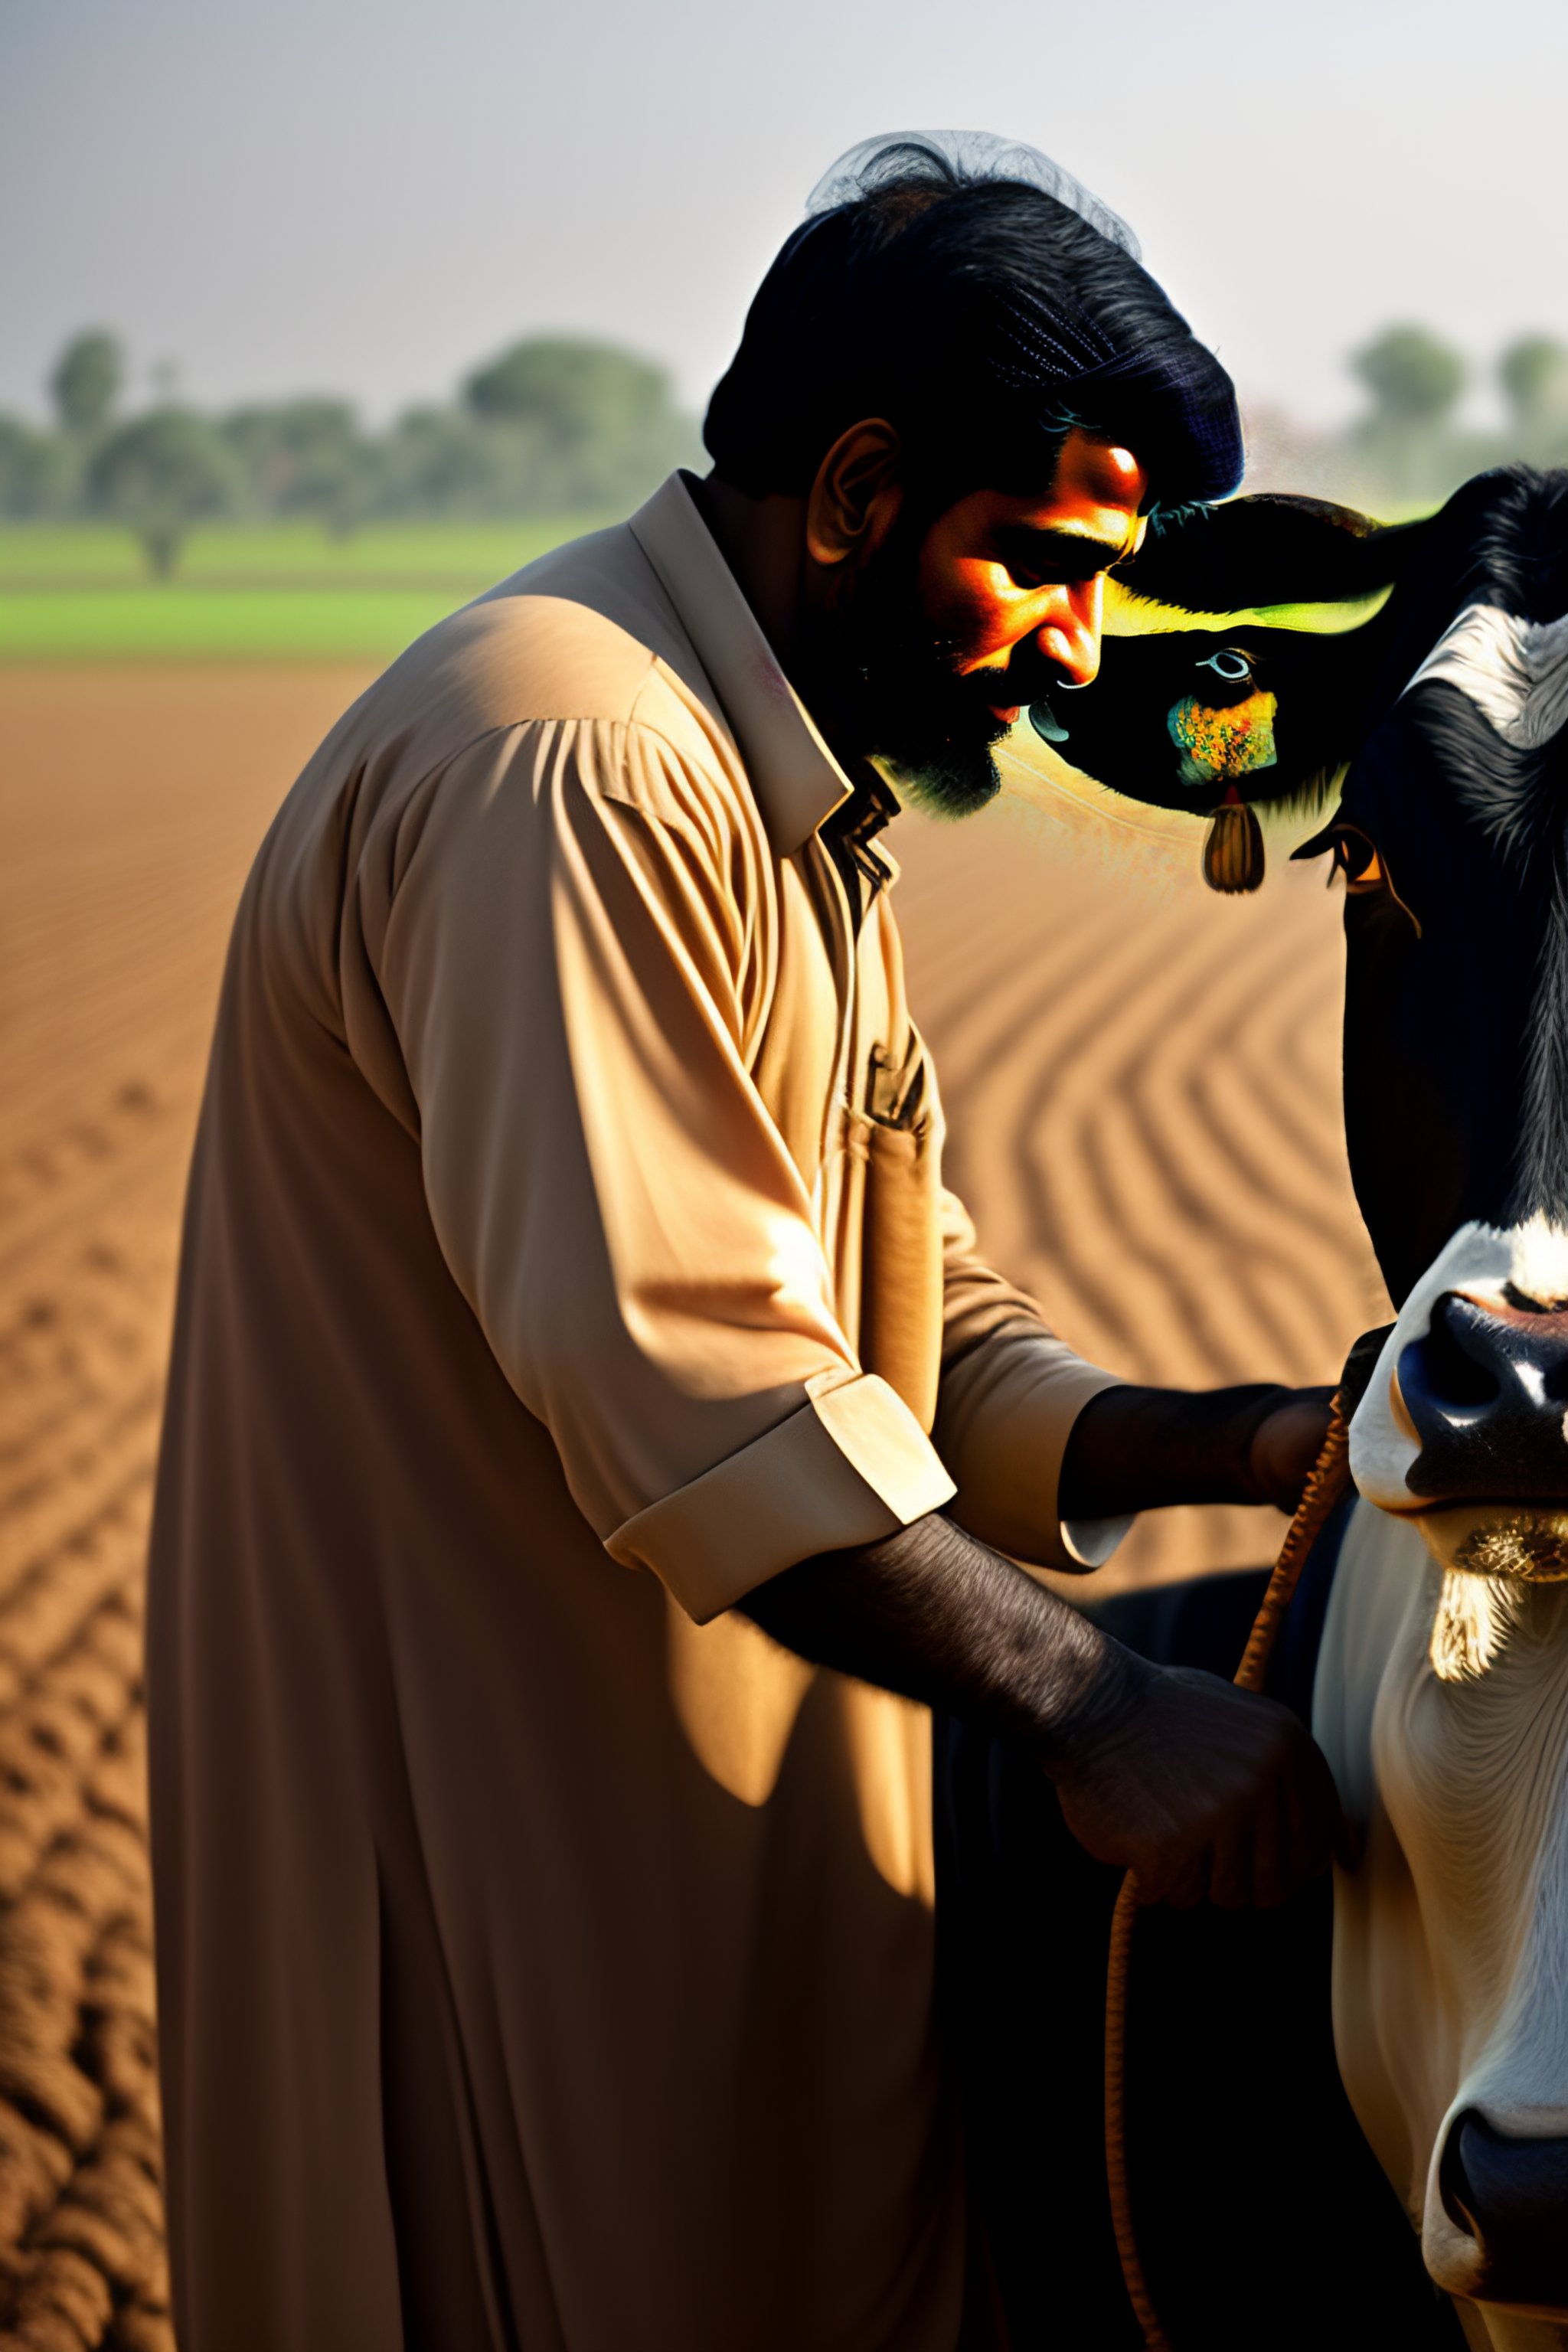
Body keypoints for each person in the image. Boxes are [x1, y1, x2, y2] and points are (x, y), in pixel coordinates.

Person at [146, 130, 1346, 2351]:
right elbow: (691, 1385)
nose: (1085, 653)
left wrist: (1264, 1437)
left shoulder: (775, 797)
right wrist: (1097, 1709)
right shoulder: (576, 758)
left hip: (756, 1863)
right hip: (533, 1859)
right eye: (1047, 566)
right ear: (862, 491)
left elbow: (926, 1344)